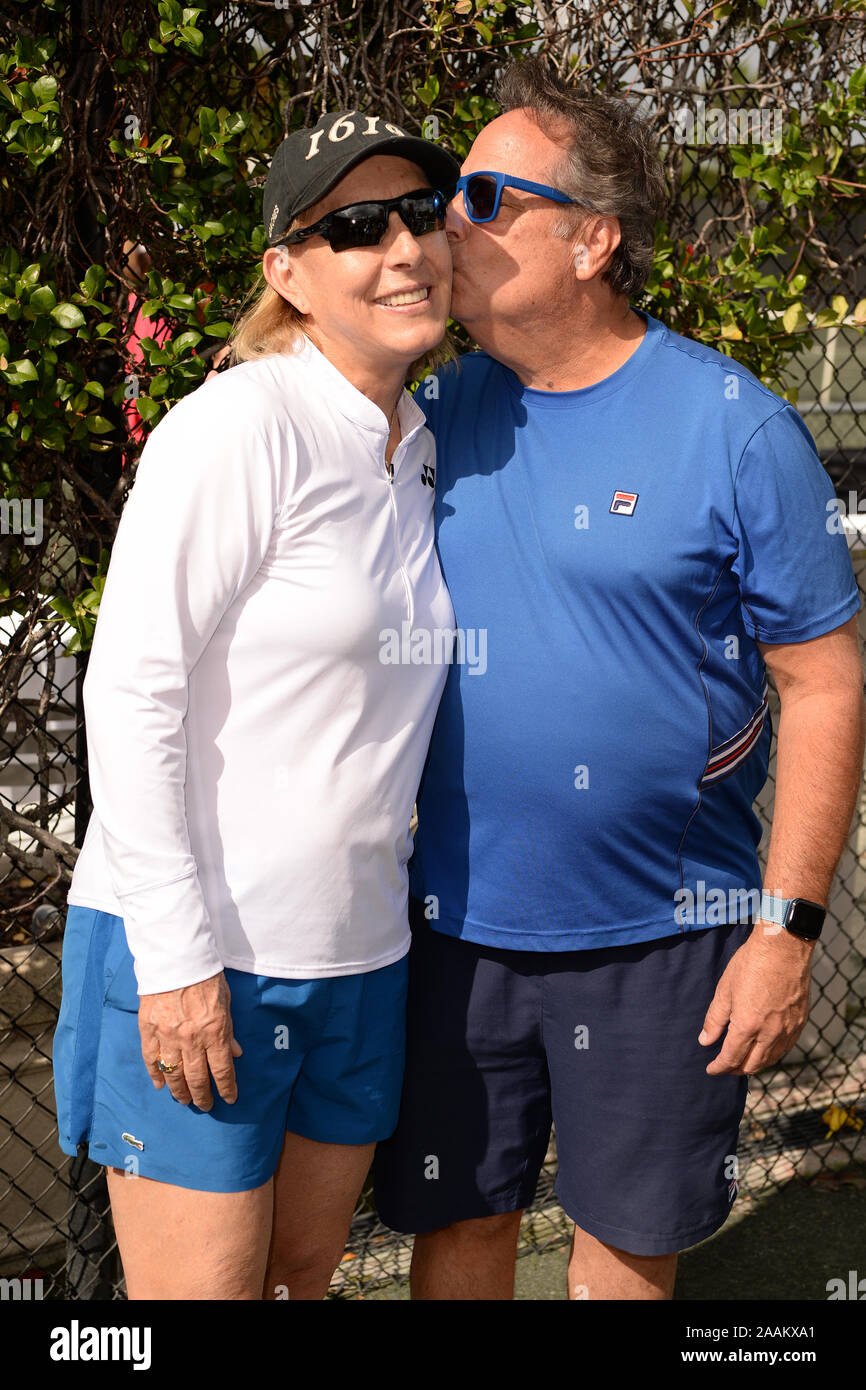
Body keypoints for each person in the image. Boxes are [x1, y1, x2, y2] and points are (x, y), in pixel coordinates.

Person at [372, 57, 865, 1300]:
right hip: (450, 929)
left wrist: (784, 930)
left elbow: (823, 685)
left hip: (664, 940)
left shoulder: (733, 426)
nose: (445, 224)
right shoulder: (430, 412)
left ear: (590, 238)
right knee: (462, 1232)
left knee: (622, 1259)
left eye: (483, 197)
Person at [53, 110, 460, 1300]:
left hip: (359, 953)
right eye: (355, 228)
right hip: (201, 953)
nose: (403, 249)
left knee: (298, 1277)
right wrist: (178, 963)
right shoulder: (236, 426)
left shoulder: (428, 440)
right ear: (286, 271)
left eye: (422, 215)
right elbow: (130, 691)